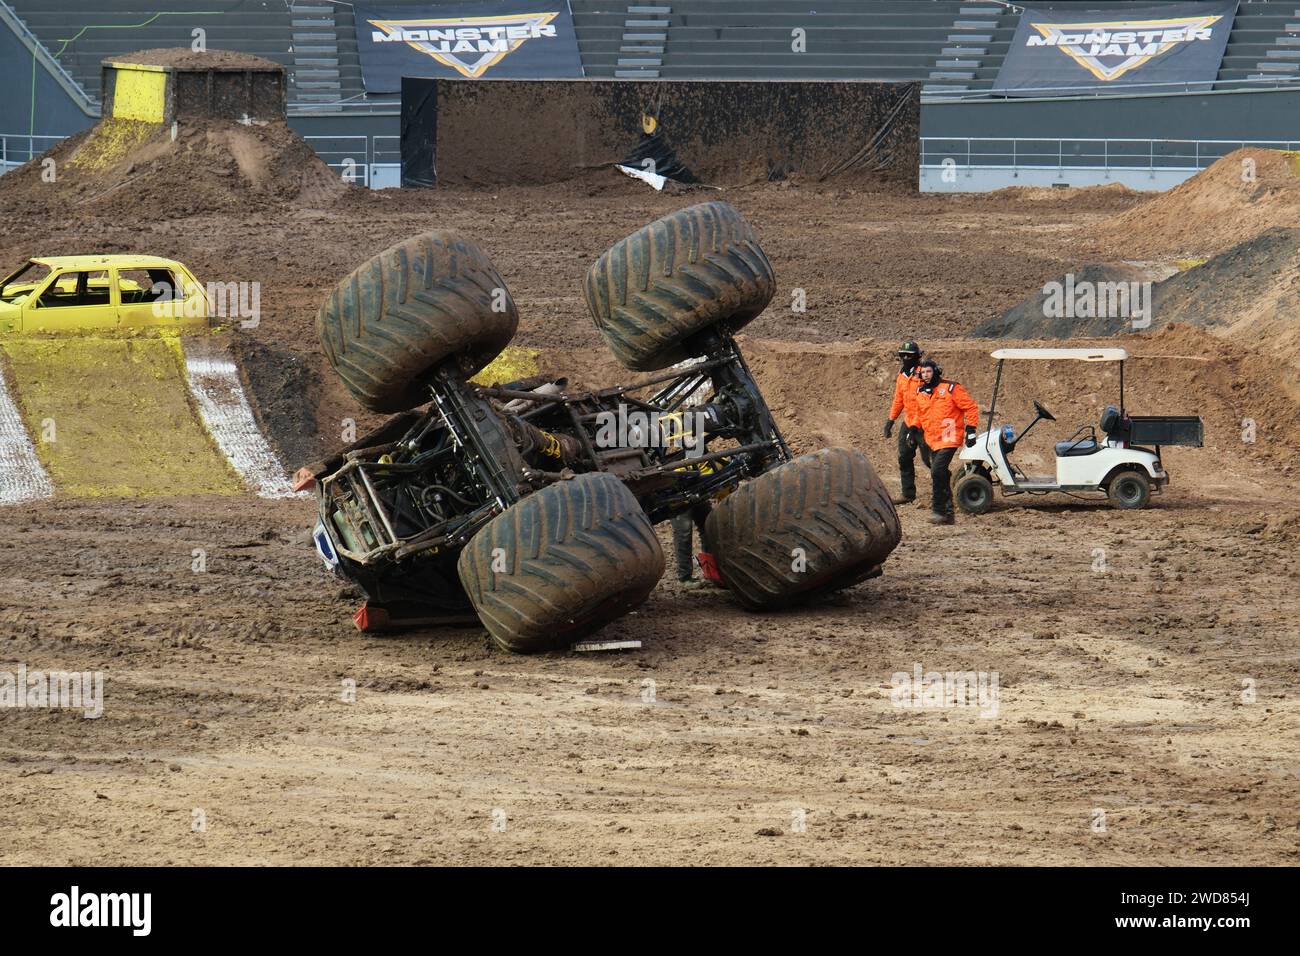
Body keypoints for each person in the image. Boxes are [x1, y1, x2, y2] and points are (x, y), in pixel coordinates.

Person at [914, 358, 979, 525]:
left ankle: (939, 511)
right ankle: (949, 514)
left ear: (936, 371)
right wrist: (913, 431)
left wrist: (971, 430)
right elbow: (920, 414)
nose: (926, 375)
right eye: (923, 372)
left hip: (949, 438)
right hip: (932, 439)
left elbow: (970, 407)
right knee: (940, 473)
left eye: (928, 371)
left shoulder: (951, 388)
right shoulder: (921, 392)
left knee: (937, 471)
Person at [883, 340, 929, 505]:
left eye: (909, 355)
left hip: (925, 423)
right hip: (908, 421)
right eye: (903, 355)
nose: (906, 358)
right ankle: (908, 493)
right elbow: (898, 399)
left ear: (917, 356)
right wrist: (891, 420)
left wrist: (915, 427)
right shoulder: (902, 376)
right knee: (904, 457)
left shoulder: (925, 373)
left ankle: (946, 489)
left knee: (929, 460)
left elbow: (926, 401)